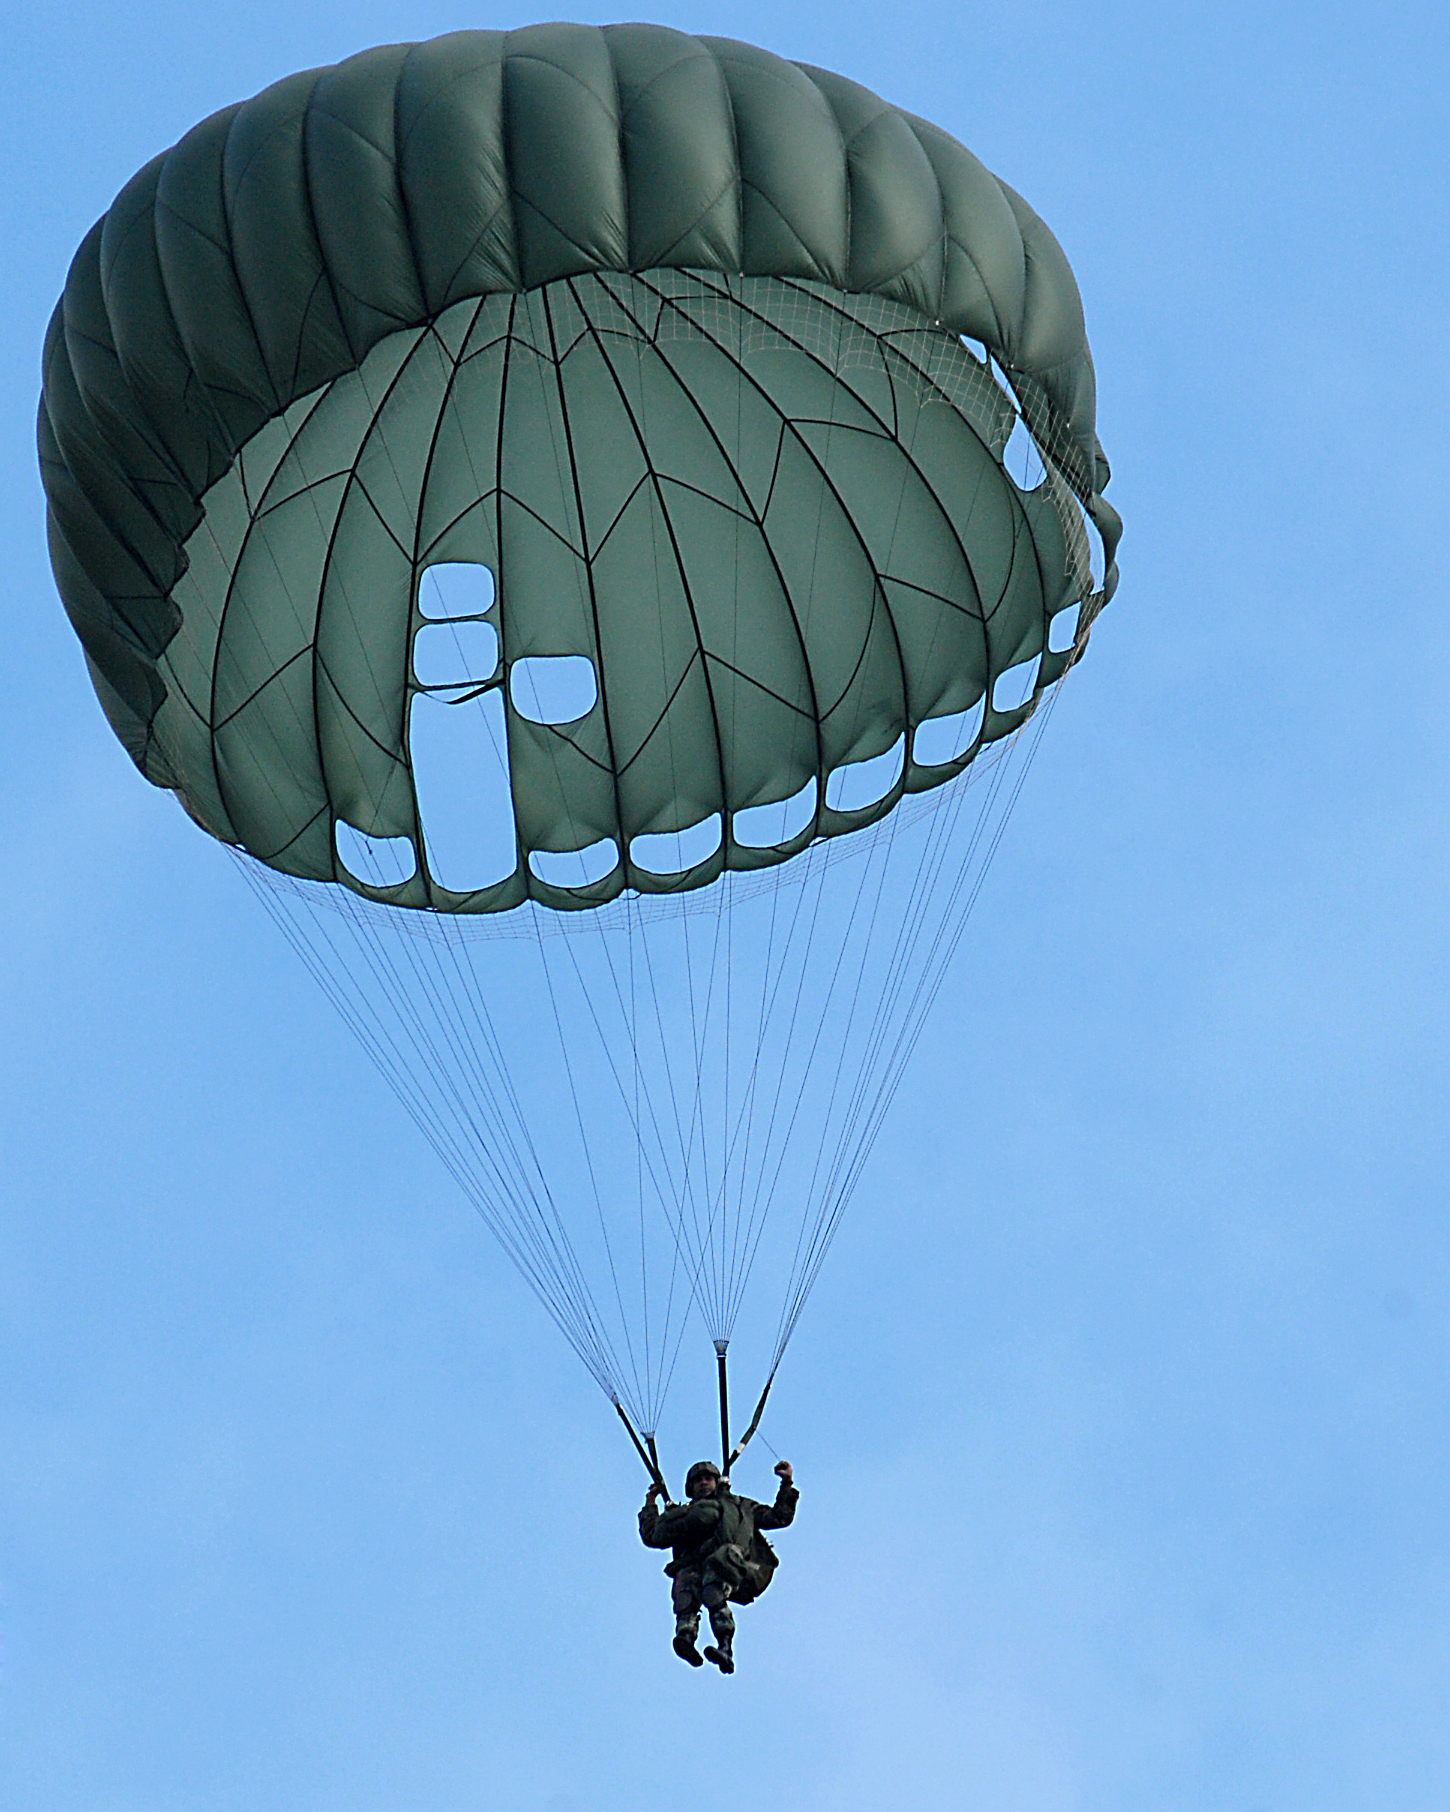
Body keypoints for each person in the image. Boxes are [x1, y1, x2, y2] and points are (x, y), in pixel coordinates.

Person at [639, 1457, 797, 1673]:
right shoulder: (683, 1516)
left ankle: (725, 1646)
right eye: (698, 1480)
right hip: (695, 1567)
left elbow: (779, 1517)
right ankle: (685, 1637)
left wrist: (786, 1483)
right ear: (691, 1487)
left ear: (717, 1482)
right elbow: (652, 1536)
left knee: (712, 1590)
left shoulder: (740, 1506)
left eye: (708, 1479)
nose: (703, 1483)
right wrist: (651, 1501)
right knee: (686, 1590)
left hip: (731, 1565)